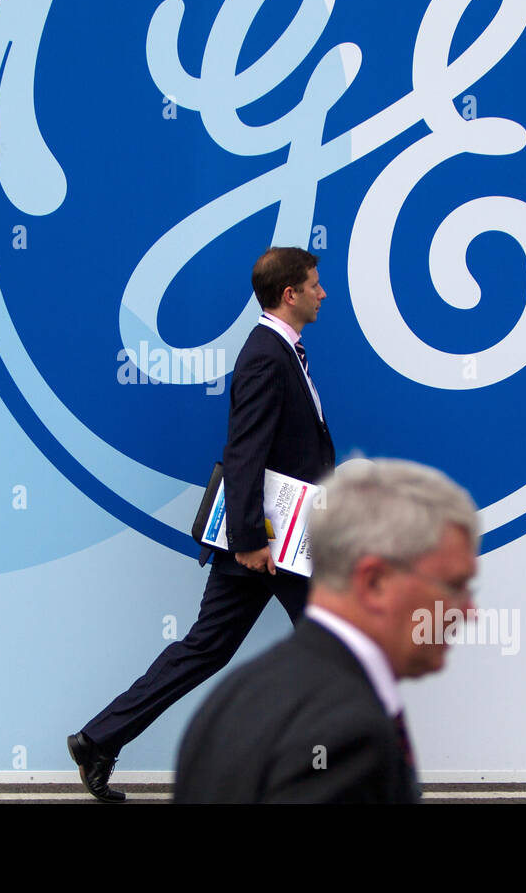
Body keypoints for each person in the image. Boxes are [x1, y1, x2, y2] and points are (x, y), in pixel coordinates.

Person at [67, 246, 334, 802]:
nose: (322, 292)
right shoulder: (266, 355)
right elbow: (244, 454)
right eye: (315, 284)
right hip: (268, 544)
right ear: (290, 294)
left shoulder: (282, 352)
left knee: (206, 648)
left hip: (278, 541)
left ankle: (98, 739)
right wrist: (251, 541)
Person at [173, 459, 479, 803]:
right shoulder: (349, 736)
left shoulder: (230, 698)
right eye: (453, 586)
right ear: (374, 581)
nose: (471, 613)